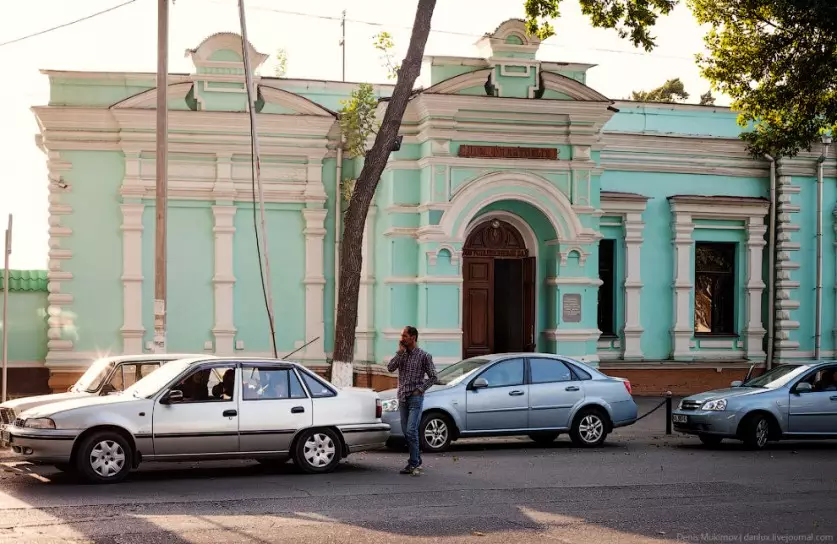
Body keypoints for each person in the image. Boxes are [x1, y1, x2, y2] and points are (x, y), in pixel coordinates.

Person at [387, 326, 438, 475]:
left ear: (413, 338)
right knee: (406, 431)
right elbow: (390, 368)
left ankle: (414, 463)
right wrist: (399, 353)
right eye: (401, 335)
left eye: (404, 336)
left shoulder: (424, 356)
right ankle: (417, 459)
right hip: (402, 397)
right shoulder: (401, 354)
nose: (401, 339)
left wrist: (420, 389)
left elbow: (434, 376)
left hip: (415, 397)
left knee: (411, 430)